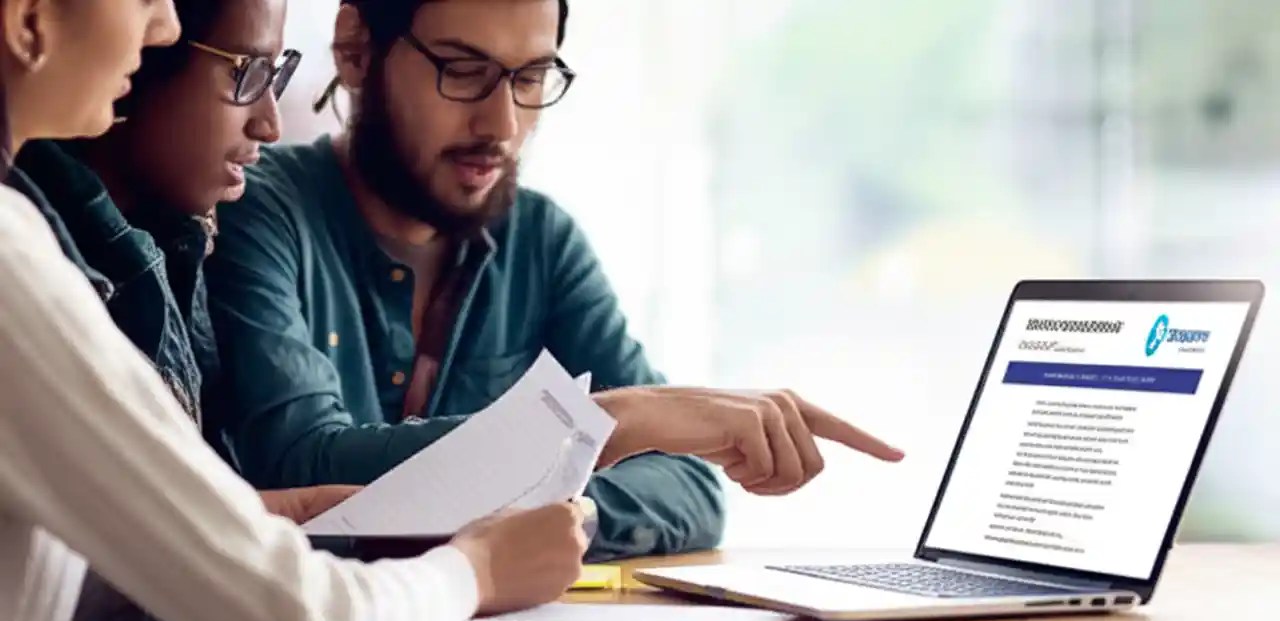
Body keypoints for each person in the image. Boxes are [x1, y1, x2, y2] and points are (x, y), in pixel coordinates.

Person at [0, 1, 598, 621]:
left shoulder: (46, 245)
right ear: (29, 19)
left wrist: (248, 518)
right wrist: (481, 567)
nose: (161, 23)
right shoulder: (16, 263)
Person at [206, 0, 906, 561]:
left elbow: (688, 485)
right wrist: (606, 427)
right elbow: (296, 466)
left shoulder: (541, 239)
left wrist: (559, 520)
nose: (502, 124)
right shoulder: (257, 210)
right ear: (356, 50)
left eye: (532, 77)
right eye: (462, 69)